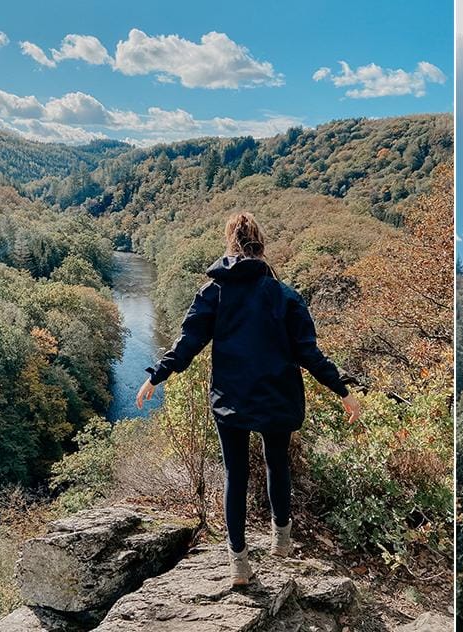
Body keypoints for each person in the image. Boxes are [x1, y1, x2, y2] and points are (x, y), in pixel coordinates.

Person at [135, 212, 361, 587]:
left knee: (234, 474)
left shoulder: (215, 292)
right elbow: (309, 354)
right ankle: (281, 540)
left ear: (230, 244)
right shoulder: (286, 296)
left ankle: (238, 563)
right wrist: (343, 390)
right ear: (262, 247)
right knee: (277, 465)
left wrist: (157, 375)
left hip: (231, 398)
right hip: (277, 395)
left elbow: (189, 341)